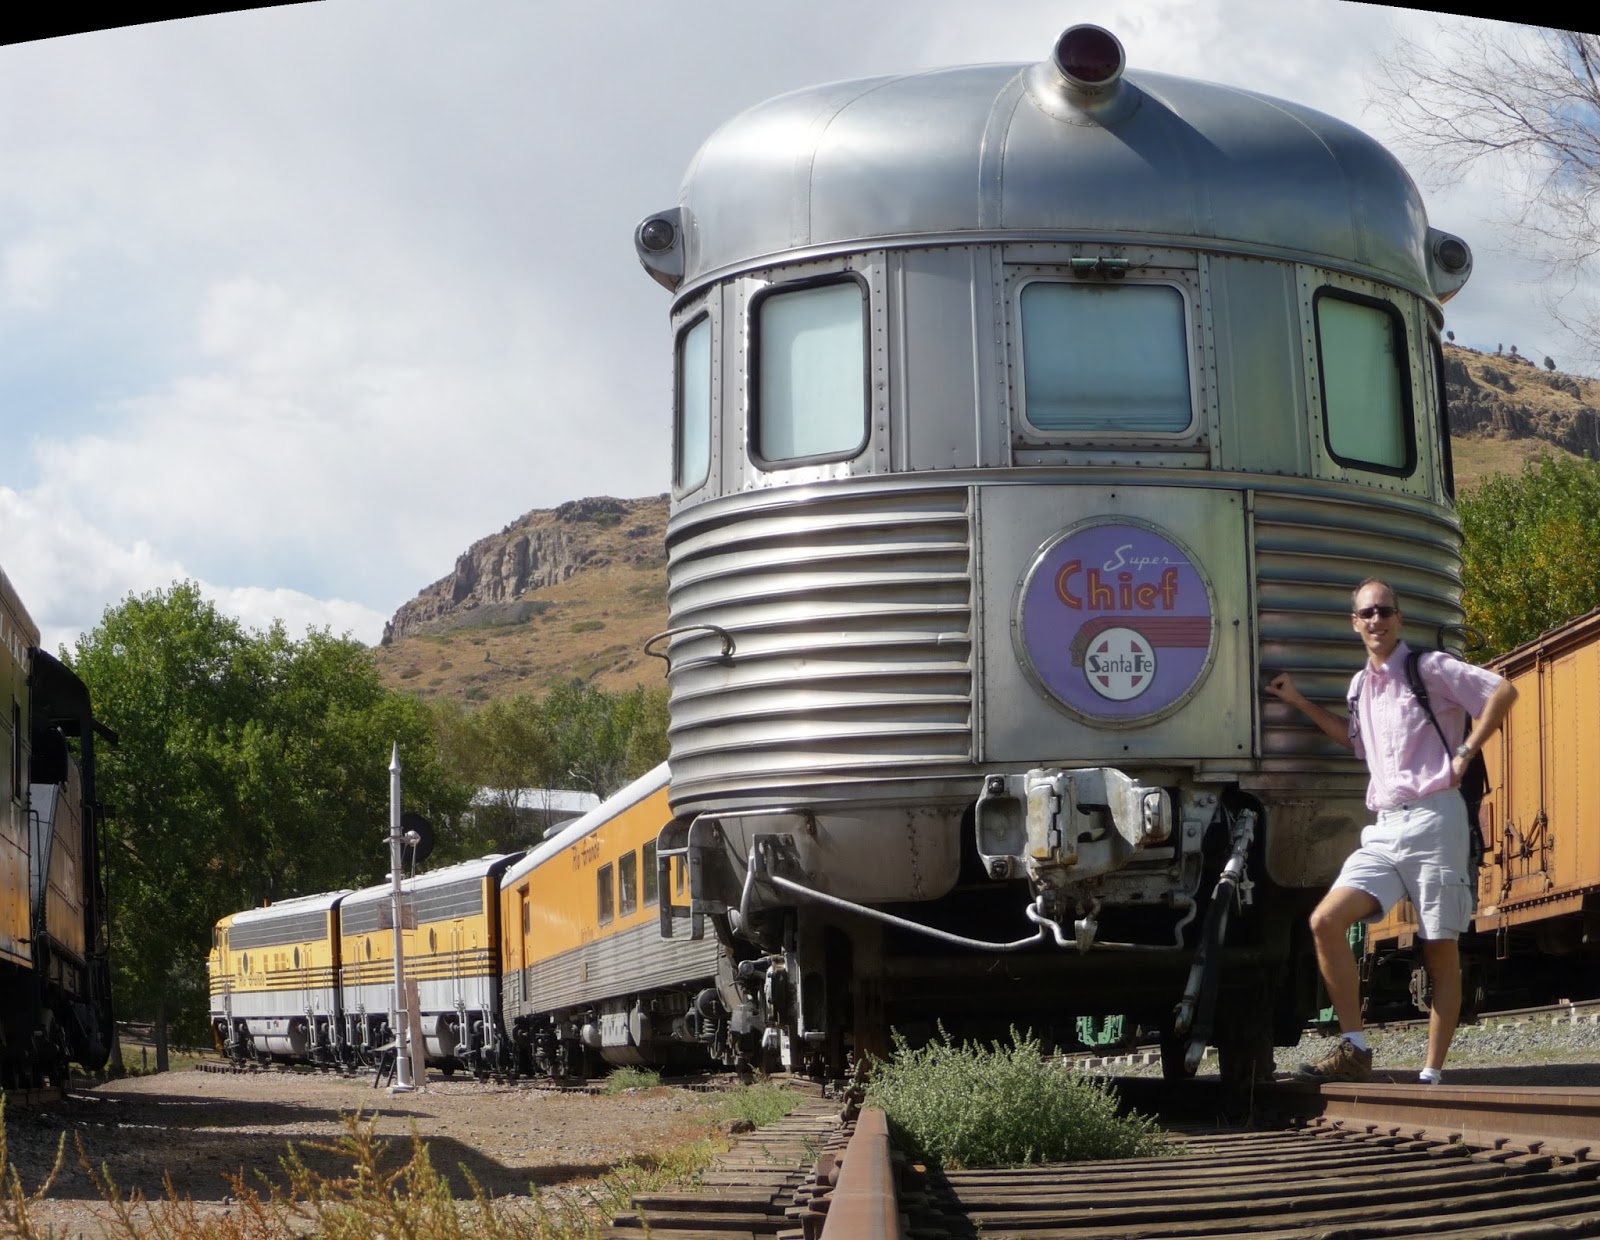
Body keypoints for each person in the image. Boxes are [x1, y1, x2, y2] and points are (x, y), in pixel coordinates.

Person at [1266, 578, 1517, 1084]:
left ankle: (1432, 1072)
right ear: (1355, 624)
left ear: (1398, 618)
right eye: (1367, 613)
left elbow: (1502, 691)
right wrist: (1299, 702)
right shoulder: (1360, 686)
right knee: (1325, 921)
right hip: (1383, 827)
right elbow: (1355, 743)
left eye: (1384, 611)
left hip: (1435, 816)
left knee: (1437, 946)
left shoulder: (1429, 668)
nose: (1376, 620)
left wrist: (1467, 750)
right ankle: (1355, 1048)